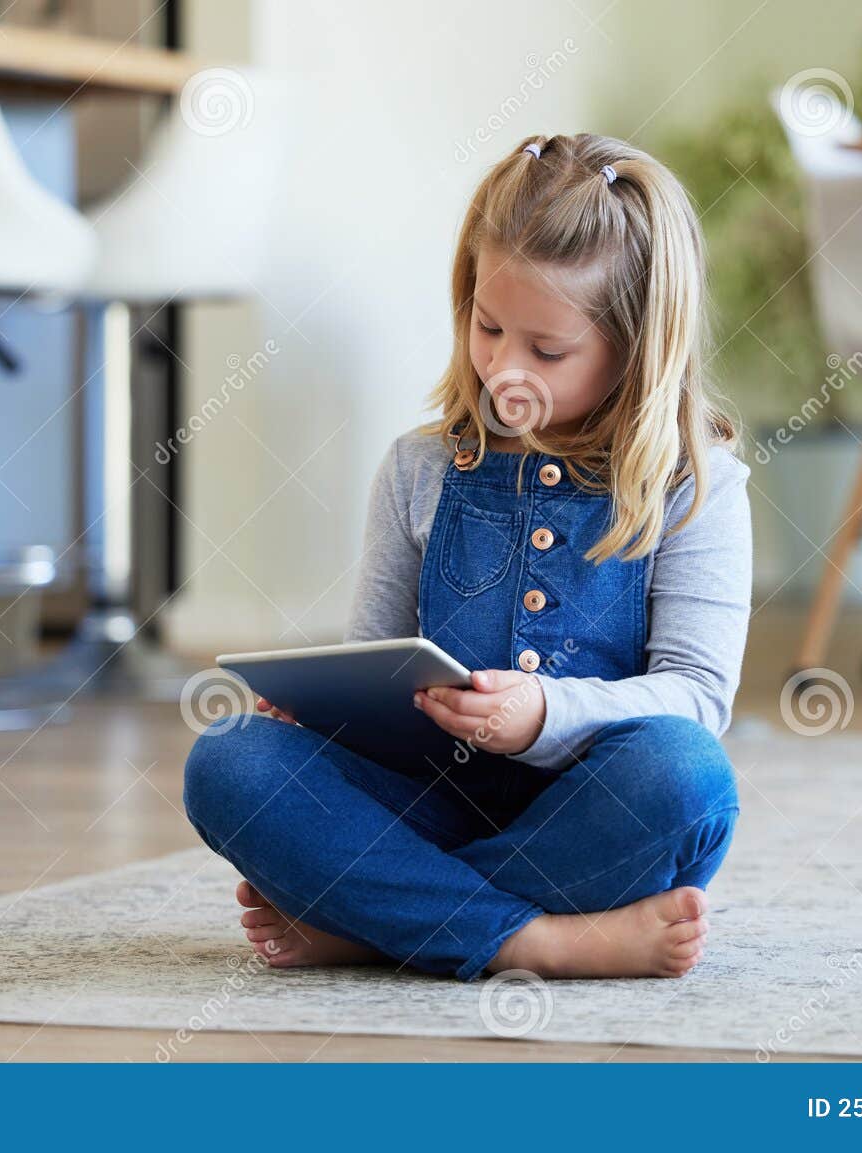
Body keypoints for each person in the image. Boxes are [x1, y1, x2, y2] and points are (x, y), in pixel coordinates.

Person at [183, 133, 750, 981]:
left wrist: (543, 713)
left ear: (637, 348)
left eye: (547, 350)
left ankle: (378, 923)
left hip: (589, 816)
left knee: (687, 778)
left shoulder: (694, 486)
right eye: (489, 327)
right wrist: (320, 712)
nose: (503, 367)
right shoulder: (419, 468)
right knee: (230, 759)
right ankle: (541, 939)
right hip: (427, 804)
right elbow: (375, 662)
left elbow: (697, 697)